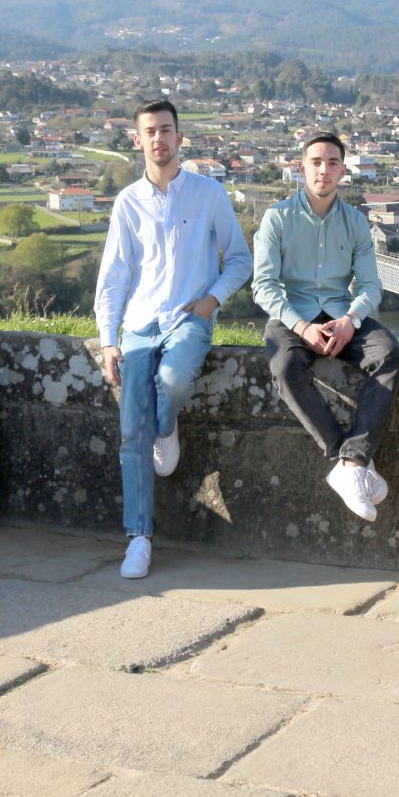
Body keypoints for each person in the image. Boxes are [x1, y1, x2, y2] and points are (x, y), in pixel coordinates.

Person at [94, 100, 251, 579]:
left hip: (188, 317)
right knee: (130, 433)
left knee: (175, 379)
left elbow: (239, 258)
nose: (158, 138)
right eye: (150, 131)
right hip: (140, 324)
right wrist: (108, 339)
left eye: (166, 130)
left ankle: (166, 425)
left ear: (179, 137)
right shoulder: (128, 202)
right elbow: (114, 275)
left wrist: (212, 300)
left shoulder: (208, 193)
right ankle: (138, 537)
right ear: (137, 140)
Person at [253, 132, 399, 521]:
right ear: (302, 167)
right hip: (292, 313)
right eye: (316, 162)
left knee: (390, 355)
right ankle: (349, 459)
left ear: (342, 170)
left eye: (333, 162)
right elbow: (263, 286)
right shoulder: (277, 218)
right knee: (285, 366)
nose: (324, 169)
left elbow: (370, 286)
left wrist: (351, 321)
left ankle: (352, 465)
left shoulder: (355, 222)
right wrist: (301, 327)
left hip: (341, 312)